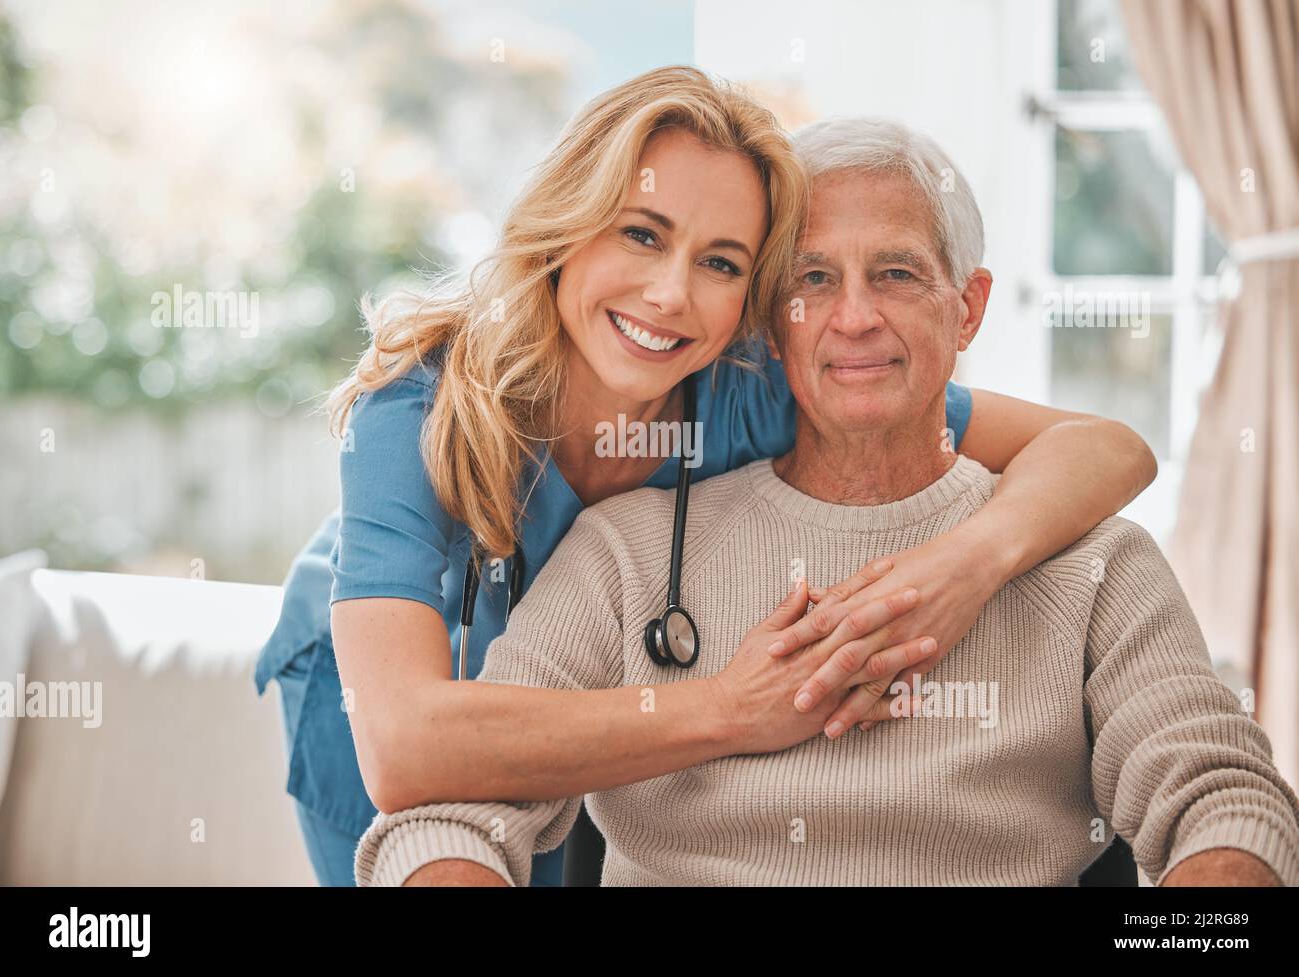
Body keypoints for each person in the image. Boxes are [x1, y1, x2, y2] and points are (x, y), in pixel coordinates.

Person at [254, 67, 1157, 886]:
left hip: (596, 705)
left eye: (720, 262)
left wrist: (960, 569)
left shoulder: (750, 391)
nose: (670, 295)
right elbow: (405, 744)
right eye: (642, 234)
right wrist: (733, 708)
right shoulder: (418, 409)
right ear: (566, 228)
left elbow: (1107, 446)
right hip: (372, 689)